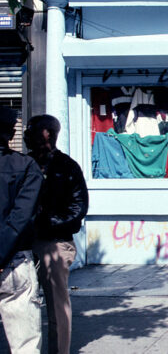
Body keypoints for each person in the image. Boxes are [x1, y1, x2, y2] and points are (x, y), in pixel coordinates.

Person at [24, 115, 89, 354]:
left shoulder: (66, 166)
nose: (26, 134)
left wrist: (46, 223)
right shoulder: (25, 163)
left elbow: (78, 207)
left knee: (57, 305)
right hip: (24, 243)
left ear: (48, 134)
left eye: (32, 129)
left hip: (54, 243)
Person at [0, 106, 44, 353]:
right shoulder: (26, 166)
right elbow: (20, 217)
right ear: (10, 132)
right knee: (24, 344)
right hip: (14, 260)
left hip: (11, 259)